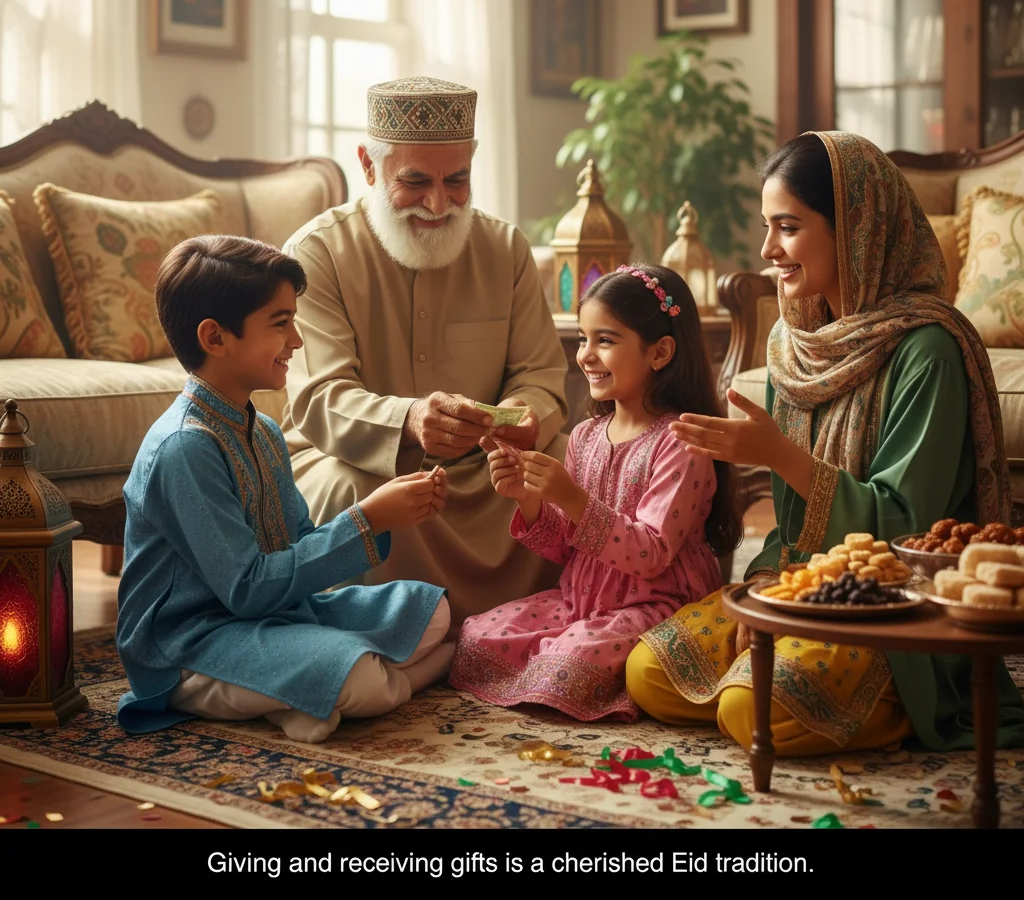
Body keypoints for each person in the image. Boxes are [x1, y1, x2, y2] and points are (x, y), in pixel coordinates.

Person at [626, 131, 1024, 754]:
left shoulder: (929, 351)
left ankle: (899, 704)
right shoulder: (794, 345)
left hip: (893, 605)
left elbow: (907, 529)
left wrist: (775, 454)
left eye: (788, 226)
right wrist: (762, 598)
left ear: (856, 230)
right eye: (767, 226)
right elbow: (787, 534)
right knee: (647, 671)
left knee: (750, 705)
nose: (767, 250)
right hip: (802, 583)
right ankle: (805, 691)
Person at [116, 235, 454, 745]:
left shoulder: (264, 432)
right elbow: (248, 589)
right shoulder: (185, 448)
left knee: (432, 613)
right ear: (214, 338)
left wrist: (385, 516)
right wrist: (368, 519)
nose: (296, 340)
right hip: (189, 645)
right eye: (281, 323)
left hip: (273, 616)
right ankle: (356, 685)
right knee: (362, 674)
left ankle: (309, 692)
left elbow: (298, 549)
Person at [282, 77, 568, 630]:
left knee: (564, 463)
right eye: (415, 182)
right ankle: (400, 634)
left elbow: (540, 373)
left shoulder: (504, 248)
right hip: (363, 462)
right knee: (359, 492)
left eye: (456, 180)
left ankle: (526, 630)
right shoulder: (317, 253)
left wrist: (528, 417)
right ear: (369, 166)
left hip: (488, 471)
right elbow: (320, 397)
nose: (438, 204)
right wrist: (408, 420)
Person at [449, 264, 742, 720]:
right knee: (476, 635)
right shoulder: (585, 435)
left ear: (660, 352)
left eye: (604, 340)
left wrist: (571, 497)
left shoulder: (681, 442)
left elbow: (651, 554)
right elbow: (567, 548)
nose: (586, 355)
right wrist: (525, 495)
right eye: (583, 339)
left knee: (570, 665)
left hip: (655, 605)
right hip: (581, 601)